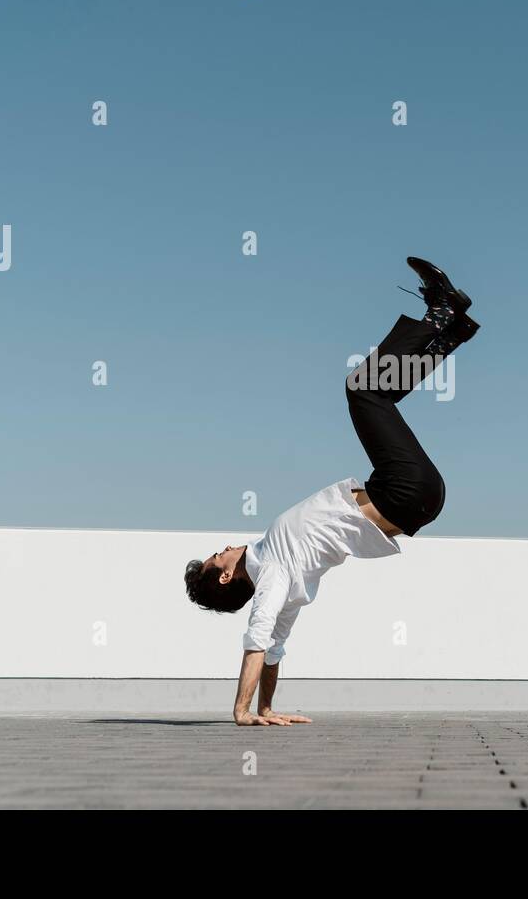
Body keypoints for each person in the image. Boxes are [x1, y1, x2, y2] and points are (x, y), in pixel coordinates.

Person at [184, 256, 480, 725]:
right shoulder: (272, 572)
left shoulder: (280, 576)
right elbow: (258, 640)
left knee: (379, 392)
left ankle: (450, 328)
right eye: (215, 558)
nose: (221, 549)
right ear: (224, 577)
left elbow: (274, 649)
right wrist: (242, 711)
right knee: (363, 390)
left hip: (412, 500)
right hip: (402, 491)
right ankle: (442, 316)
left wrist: (267, 707)